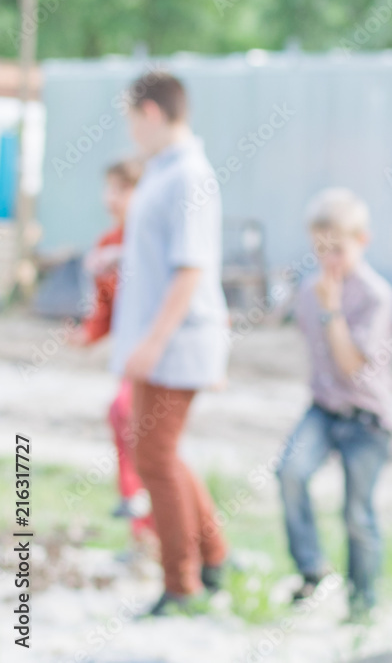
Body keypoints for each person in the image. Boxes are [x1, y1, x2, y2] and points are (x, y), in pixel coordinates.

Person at [111, 70, 230, 616]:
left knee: (153, 457)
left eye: (132, 119)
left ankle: (180, 583)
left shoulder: (189, 176)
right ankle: (211, 557)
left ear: (151, 112)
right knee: (162, 453)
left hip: (175, 341)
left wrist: (153, 343)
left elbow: (190, 269)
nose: (131, 131)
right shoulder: (165, 172)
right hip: (161, 339)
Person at [275, 188, 392, 622]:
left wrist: (331, 313)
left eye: (338, 250)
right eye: (320, 251)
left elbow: (349, 366)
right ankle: (312, 569)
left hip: (366, 419)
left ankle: (362, 607)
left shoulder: (375, 296)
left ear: (362, 240)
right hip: (324, 408)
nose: (329, 261)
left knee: (356, 515)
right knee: (289, 472)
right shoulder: (311, 290)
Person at [70, 158, 155, 540]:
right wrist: (87, 334)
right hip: (128, 357)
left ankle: (159, 522)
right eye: (109, 189)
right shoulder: (106, 244)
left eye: (123, 189)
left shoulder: (151, 240)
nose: (112, 198)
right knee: (126, 420)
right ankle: (141, 523)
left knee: (128, 416)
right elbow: (105, 308)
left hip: (157, 353)